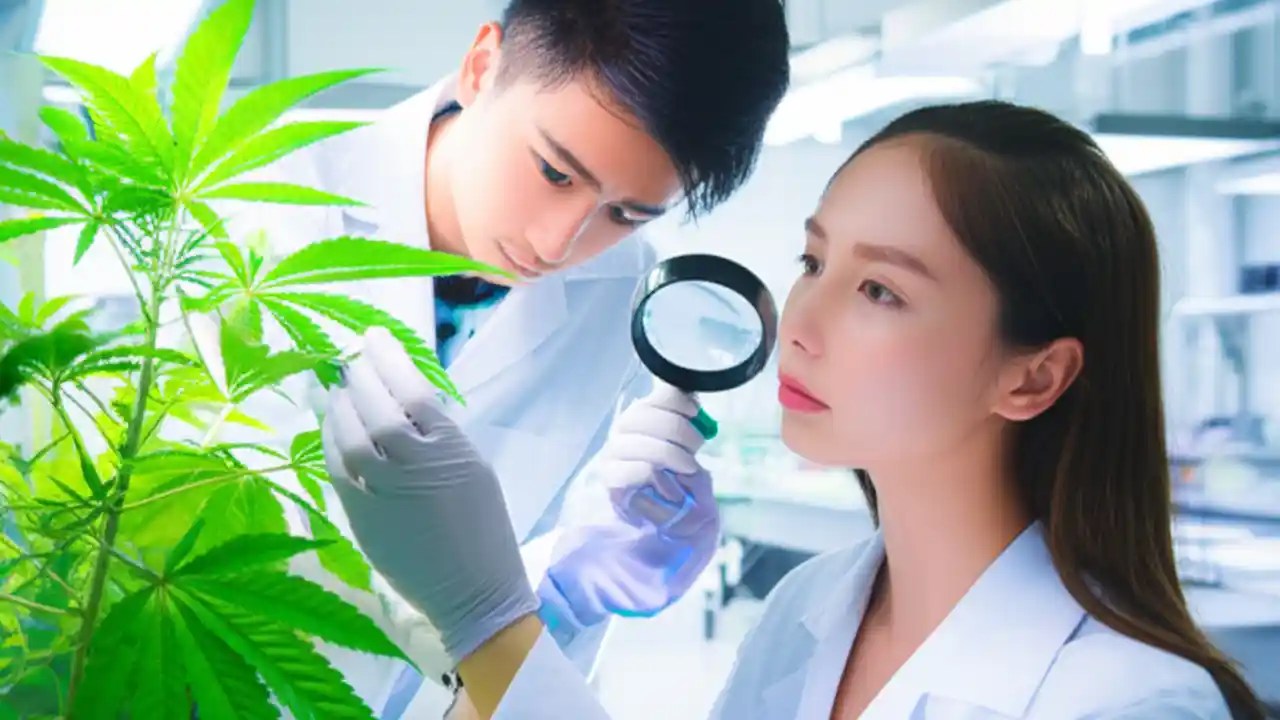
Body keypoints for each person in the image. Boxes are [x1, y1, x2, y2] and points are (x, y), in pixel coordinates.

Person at [320, 99, 1267, 719]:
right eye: (814, 261)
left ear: (1032, 378)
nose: (803, 320)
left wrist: (490, 619)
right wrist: (563, 599)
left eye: (881, 292)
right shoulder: (812, 610)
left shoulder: (1128, 701)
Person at [223, 0, 790, 715]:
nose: (560, 244)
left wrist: (577, 581)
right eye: (556, 172)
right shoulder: (264, 206)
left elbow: (536, 652)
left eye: (625, 213)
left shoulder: (619, 300)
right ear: (482, 66)